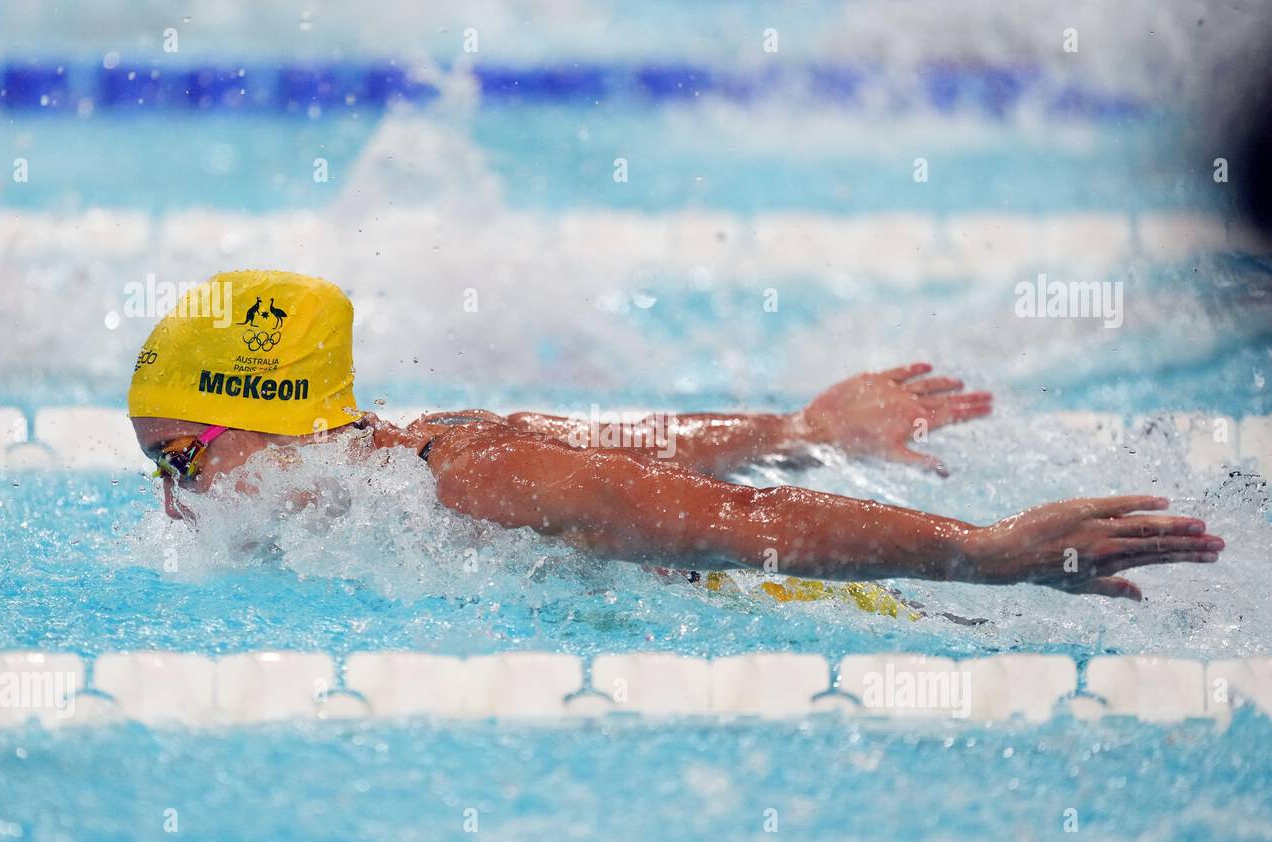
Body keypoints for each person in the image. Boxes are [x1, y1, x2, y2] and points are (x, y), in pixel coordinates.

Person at [129, 271, 1223, 602]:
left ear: (276, 422)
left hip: (822, 595)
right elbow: (633, 442)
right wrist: (796, 426)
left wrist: (986, 552)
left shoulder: (464, 479)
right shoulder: (428, 450)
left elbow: (730, 521)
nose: (175, 497)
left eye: (180, 457)